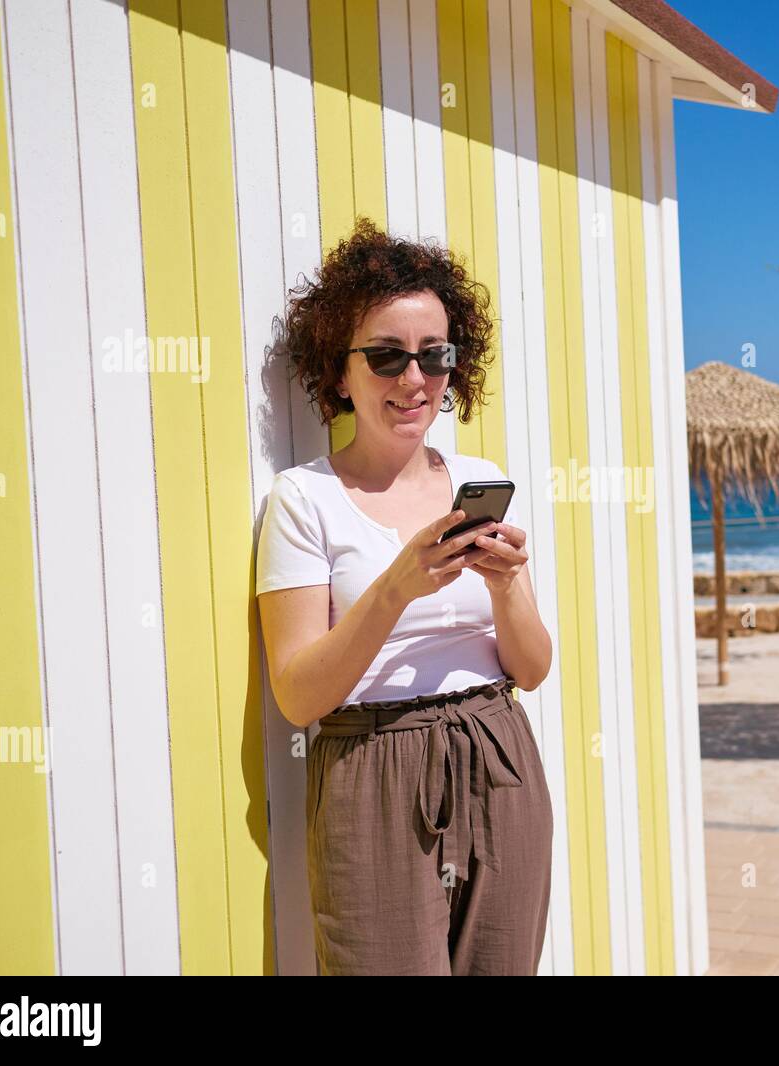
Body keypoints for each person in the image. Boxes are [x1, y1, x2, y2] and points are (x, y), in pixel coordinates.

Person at [255, 217, 554, 975]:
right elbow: (297, 697)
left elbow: (534, 666)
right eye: (386, 356)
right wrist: (393, 588)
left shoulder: (476, 479)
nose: (412, 380)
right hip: (372, 766)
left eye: (434, 355)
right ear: (340, 368)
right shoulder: (302, 500)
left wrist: (509, 583)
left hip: (496, 750)